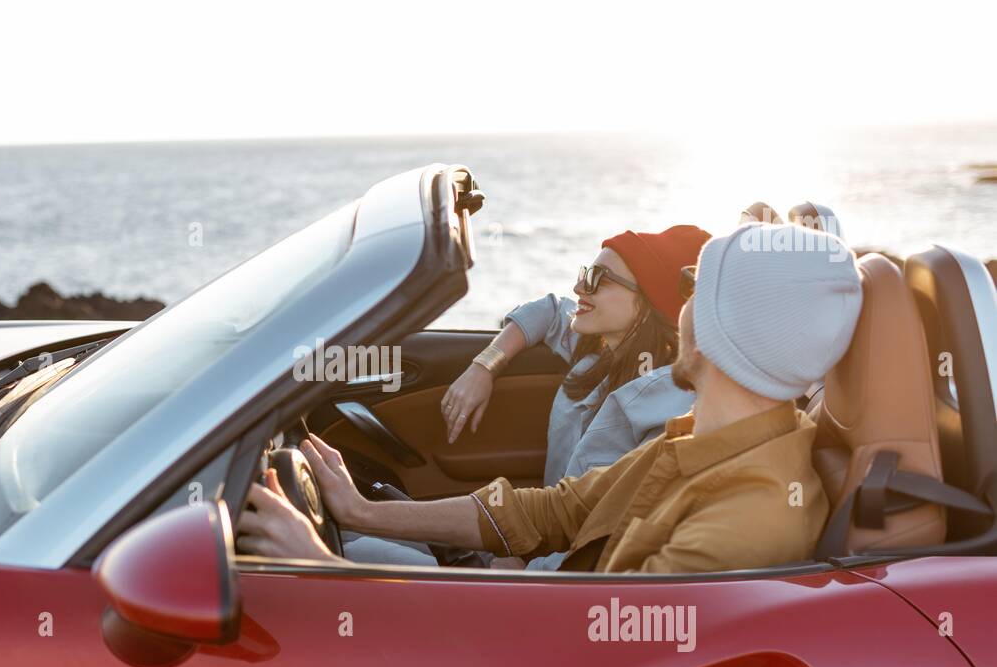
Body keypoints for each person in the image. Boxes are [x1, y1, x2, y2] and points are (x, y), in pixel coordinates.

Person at [239, 222, 864, 574]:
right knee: (371, 545)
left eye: (696, 287)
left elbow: (583, 657)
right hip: (540, 610)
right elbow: (550, 514)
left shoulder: (750, 514)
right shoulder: (698, 439)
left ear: (730, 329)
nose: (684, 304)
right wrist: (360, 512)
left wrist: (328, 578)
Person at [344, 225, 708, 570]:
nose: (580, 287)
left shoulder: (666, 407)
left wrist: (528, 569)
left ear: (646, 304)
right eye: (584, 272)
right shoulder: (595, 352)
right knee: (357, 539)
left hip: (549, 577)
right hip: (532, 540)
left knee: (356, 554)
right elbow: (549, 311)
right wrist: (485, 366)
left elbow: (607, 533)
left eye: (597, 279)